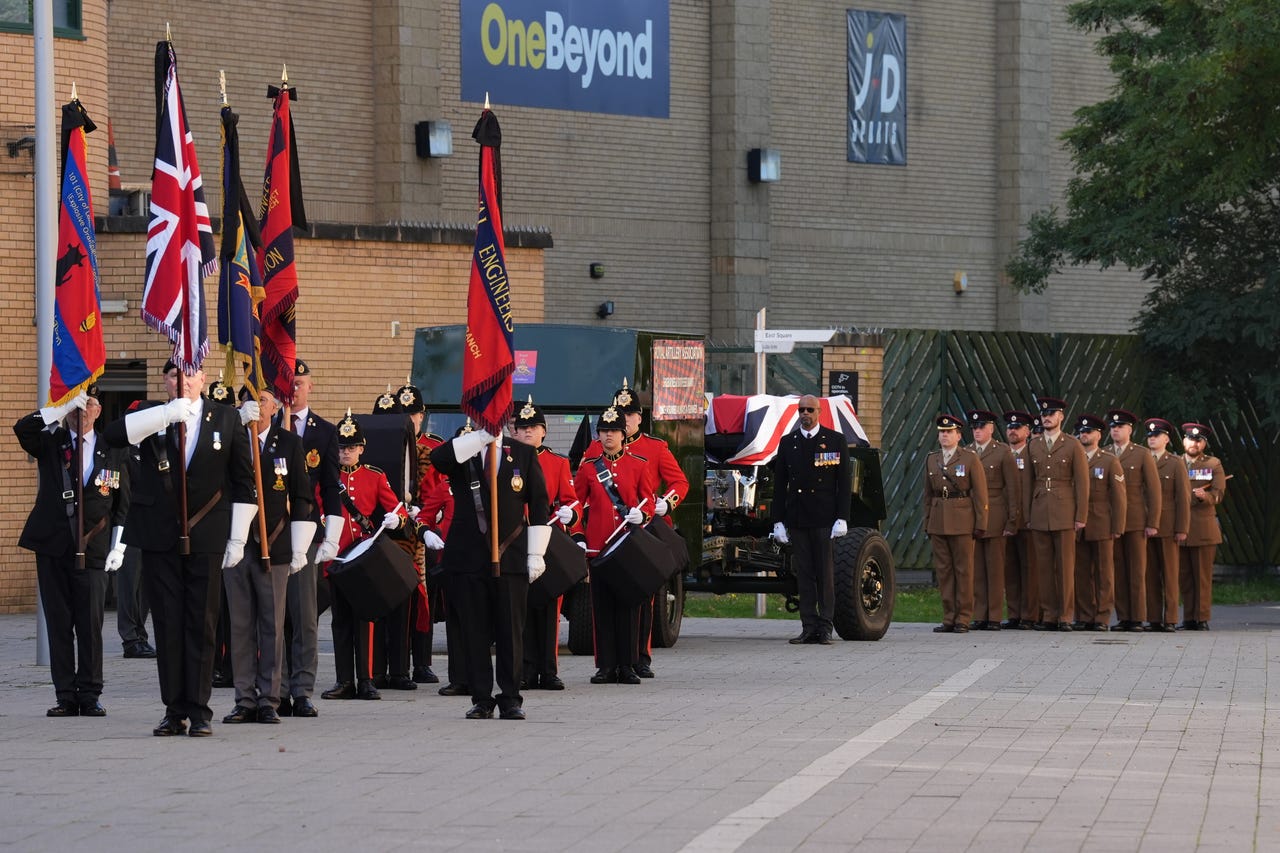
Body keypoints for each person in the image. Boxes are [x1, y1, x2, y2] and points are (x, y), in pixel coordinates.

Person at [100, 360, 257, 737]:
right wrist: (165, 415)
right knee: (168, 624)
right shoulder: (151, 416)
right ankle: (174, 709)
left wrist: (238, 537)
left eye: (189, 373)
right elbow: (112, 436)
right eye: (173, 374)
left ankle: (200, 710)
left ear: (203, 378)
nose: (181, 380)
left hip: (206, 534)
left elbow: (243, 481)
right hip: (158, 535)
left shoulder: (224, 418)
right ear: (165, 380)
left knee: (202, 623)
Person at [14, 383, 130, 717]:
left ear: (98, 410)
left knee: (90, 624)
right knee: (59, 622)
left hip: (93, 547)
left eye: (87, 405)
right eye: (76, 408)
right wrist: (59, 408)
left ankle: (90, 693)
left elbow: (123, 504)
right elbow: (22, 428)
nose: (82, 413)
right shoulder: (52, 442)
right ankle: (65, 694)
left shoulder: (112, 449)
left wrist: (118, 545)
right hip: (53, 545)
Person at [430, 418, 550, 719]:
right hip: (469, 557)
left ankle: (510, 697)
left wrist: (537, 553)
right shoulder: (465, 451)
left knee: (511, 630)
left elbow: (538, 503)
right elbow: (438, 459)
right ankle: (481, 697)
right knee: (475, 630)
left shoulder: (522, 453)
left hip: (510, 556)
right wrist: (480, 438)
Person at [584, 380, 689, 678]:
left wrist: (666, 504)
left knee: (643, 598)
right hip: (607, 534)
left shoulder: (655, 448)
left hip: (643, 530)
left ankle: (640, 656)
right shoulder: (596, 448)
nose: (624, 420)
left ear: (639, 418)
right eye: (620, 413)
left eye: (629, 414)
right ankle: (611, 661)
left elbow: (679, 482)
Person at [220, 388, 314, 725]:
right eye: (249, 400)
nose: (255, 406)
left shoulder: (288, 444)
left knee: (272, 625)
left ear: (275, 407)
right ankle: (244, 698)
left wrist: (300, 542)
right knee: (240, 624)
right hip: (237, 545)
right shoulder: (234, 442)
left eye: (261, 399)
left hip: (274, 546)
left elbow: (302, 495)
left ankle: (269, 699)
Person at [316, 410, 408, 701]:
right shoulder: (326, 477)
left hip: (363, 557)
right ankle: (344, 680)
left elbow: (397, 509)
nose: (346, 452)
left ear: (362, 448)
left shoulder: (375, 476)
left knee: (365, 619)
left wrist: (397, 520)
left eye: (351, 447)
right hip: (336, 556)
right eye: (342, 447)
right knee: (340, 621)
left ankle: (366, 679)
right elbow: (317, 510)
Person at [278, 358, 342, 718]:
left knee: (304, 617)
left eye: (300, 382)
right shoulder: (269, 426)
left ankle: (302, 690)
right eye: (290, 383)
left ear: (310, 386)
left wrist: (330, 536)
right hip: (272, 532)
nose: (295, 389)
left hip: (307, 532)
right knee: (275, 617)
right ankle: (278, 687)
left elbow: (331, 487)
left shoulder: (323, 431)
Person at [576, 403, 655, 683]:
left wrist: (641, 514)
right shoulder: (588, 469)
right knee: (602, 609)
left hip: (627, 547)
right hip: (599, 546)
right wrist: (578, 536)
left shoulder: (639, 465)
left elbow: (649, 502)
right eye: (603, 431)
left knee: (629, 608)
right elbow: (576, 503)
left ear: (624, 434)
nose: (608, 436)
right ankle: (606, 665)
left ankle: (628, 664)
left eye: (613, 431)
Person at [511, 396, 581, 691]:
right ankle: (526, 669)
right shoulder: (508, 459)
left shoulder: (557, 462)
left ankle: (548, 670)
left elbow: (572, 501)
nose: (527, 432)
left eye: (533, 428)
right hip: (516, 540)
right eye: (522, 428)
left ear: (543, 431)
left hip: (548, 540)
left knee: (550, 607)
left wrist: (571, 513)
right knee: (522, 607)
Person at [771, 393, 852, 645]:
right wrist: (778, 521)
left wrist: (842, 517)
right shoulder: (788, 442)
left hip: (823, 518)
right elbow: (780, 485)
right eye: (801, 410)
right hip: (797, 516)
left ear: (819, 413)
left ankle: (825, 627)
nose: (805, 414)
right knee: (804, 574)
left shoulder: (835, 441)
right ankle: (808, 626)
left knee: (825, 573)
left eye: (809, 410)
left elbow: (844, 483)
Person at [1026, 396, 1088, 631]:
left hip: (1064, 510)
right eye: (1044, 414)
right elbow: (1027, 482)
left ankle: (1065, 615)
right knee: (1043, 567)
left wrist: (1081, 515)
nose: (1047, 417)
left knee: (1065, 566)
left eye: (1051, 413)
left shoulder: (1072, 445)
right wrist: (1029, 515)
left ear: (1061, 416)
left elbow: (1082, 483)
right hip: (1040, 510)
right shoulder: (1034, 445)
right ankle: (1049, 614)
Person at [923, 414, 988, 633]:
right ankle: (949, 616)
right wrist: (927, 522)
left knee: (964, 571)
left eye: (949, 432)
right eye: (942, 432)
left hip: (962, 520)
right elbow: (928, 495)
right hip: (939, 520)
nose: (945, 436)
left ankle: (963, 618)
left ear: (959, 435)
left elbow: (980, 494)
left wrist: (981, 522)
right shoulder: (932, 458)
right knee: (944, 571)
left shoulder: (969, 458)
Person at [1105, 408, 1161, 632]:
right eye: (1112, 427)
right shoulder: (1105, 453)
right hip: (1110, 520)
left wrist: (1153, 522)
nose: (1115, 430)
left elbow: (1154, 490)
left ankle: (1137, 617)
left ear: (1130, 429)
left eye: (1120, 427)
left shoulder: (1141, 454)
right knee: (1117, 571)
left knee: (1137, 570)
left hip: (1136, 520)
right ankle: (1124, 616)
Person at [1072, 413, 1125, 631]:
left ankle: (1102, 617)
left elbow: (1119, 497)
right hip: (1077, 524)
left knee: (1104, 574)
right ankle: (1084, 616)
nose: (1084, 435)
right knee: (1081, 573)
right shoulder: (1073, 458)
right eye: (1081, 432)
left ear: (1098, 435)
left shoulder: (1109, 460)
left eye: (1088, 432)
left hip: (1101, 523)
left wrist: (1118, 526)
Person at [967, 409, 1016, 630]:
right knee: (976, 569)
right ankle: (980, 614)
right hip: (971, 515)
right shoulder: (966, 452)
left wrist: (1012, 520)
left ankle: (994, 616)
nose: (977, 431)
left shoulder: (1003, 452)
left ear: (991, 429)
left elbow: (1013, 488)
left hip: (996, 514)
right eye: (974, 427)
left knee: (995, 569)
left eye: (982, 427)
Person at [1143, 418, 1190, 632]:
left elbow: (1183, 497)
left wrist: (1182, 528)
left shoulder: (1175, 462)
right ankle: (1153, 618)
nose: (1152, 439)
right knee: (1150, 574)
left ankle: (1170, 618)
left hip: (1168, 525)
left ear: (1167, 439)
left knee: (1170, 573)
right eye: (1150, 436)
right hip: (1144, 523)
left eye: (1157, 436)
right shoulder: (1142, 459)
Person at [1179, 422, 1226, 630]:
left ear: (1204, 443)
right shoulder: (1174, 462)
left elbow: (1218, 493)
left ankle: (1202, 618)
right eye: (1190, 439)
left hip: (1203, 528)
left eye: (1198, 440)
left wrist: (1204, 496)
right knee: (1184, 577)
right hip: (1180, 527)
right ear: (1183, 440)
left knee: (1202, 577)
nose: (1193, 443)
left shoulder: (1213, 464)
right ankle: (1188, 618)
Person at [1001, 410, 1038, 629]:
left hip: (1028, 519)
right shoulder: (1003, 454)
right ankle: (1014, 613)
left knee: (1030, 569)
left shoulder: (1033, 454)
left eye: (1017, 428)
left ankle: (1030, 614)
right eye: (1009, 428)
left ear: (1028, 431)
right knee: (1010, 570)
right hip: (1006, 520)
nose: (1012, 431)